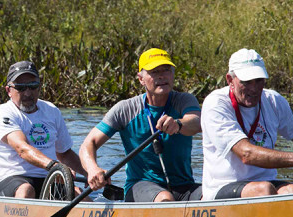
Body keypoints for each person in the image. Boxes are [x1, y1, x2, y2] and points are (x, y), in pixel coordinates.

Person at [200, 48, 293, 200]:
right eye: (246, 82)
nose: (254, 88)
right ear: (230, 80)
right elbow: (246, 154)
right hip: (223, 187)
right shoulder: (216, 104)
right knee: (264, 190)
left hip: (265, 184)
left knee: (291, 190)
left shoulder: (274, 101)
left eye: (259, 80)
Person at [79, 48, 203, 202]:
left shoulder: (185, 100)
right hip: (140, 185)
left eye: (166, 70)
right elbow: (88, 144)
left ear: (173, 74)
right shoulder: (125, 109)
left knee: (209, 194)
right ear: (141, 79)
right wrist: (93, 169)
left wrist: (178, 124)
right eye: (155, 72)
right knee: (165, 198)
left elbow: (197, 122)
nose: (162, 76)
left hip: (184, 186)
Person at [0, 61, 86, 198]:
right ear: (9, 91)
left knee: (79, 194)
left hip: (48, 178)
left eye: (33, 86)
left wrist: (90, 172)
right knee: (26, 190)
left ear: (39, 87)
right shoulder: (3, 113)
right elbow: (22, 149)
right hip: (14, 178)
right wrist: (56, 167)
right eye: (21, 88)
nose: (28, 93)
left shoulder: (51, 110)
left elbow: (64, 153)